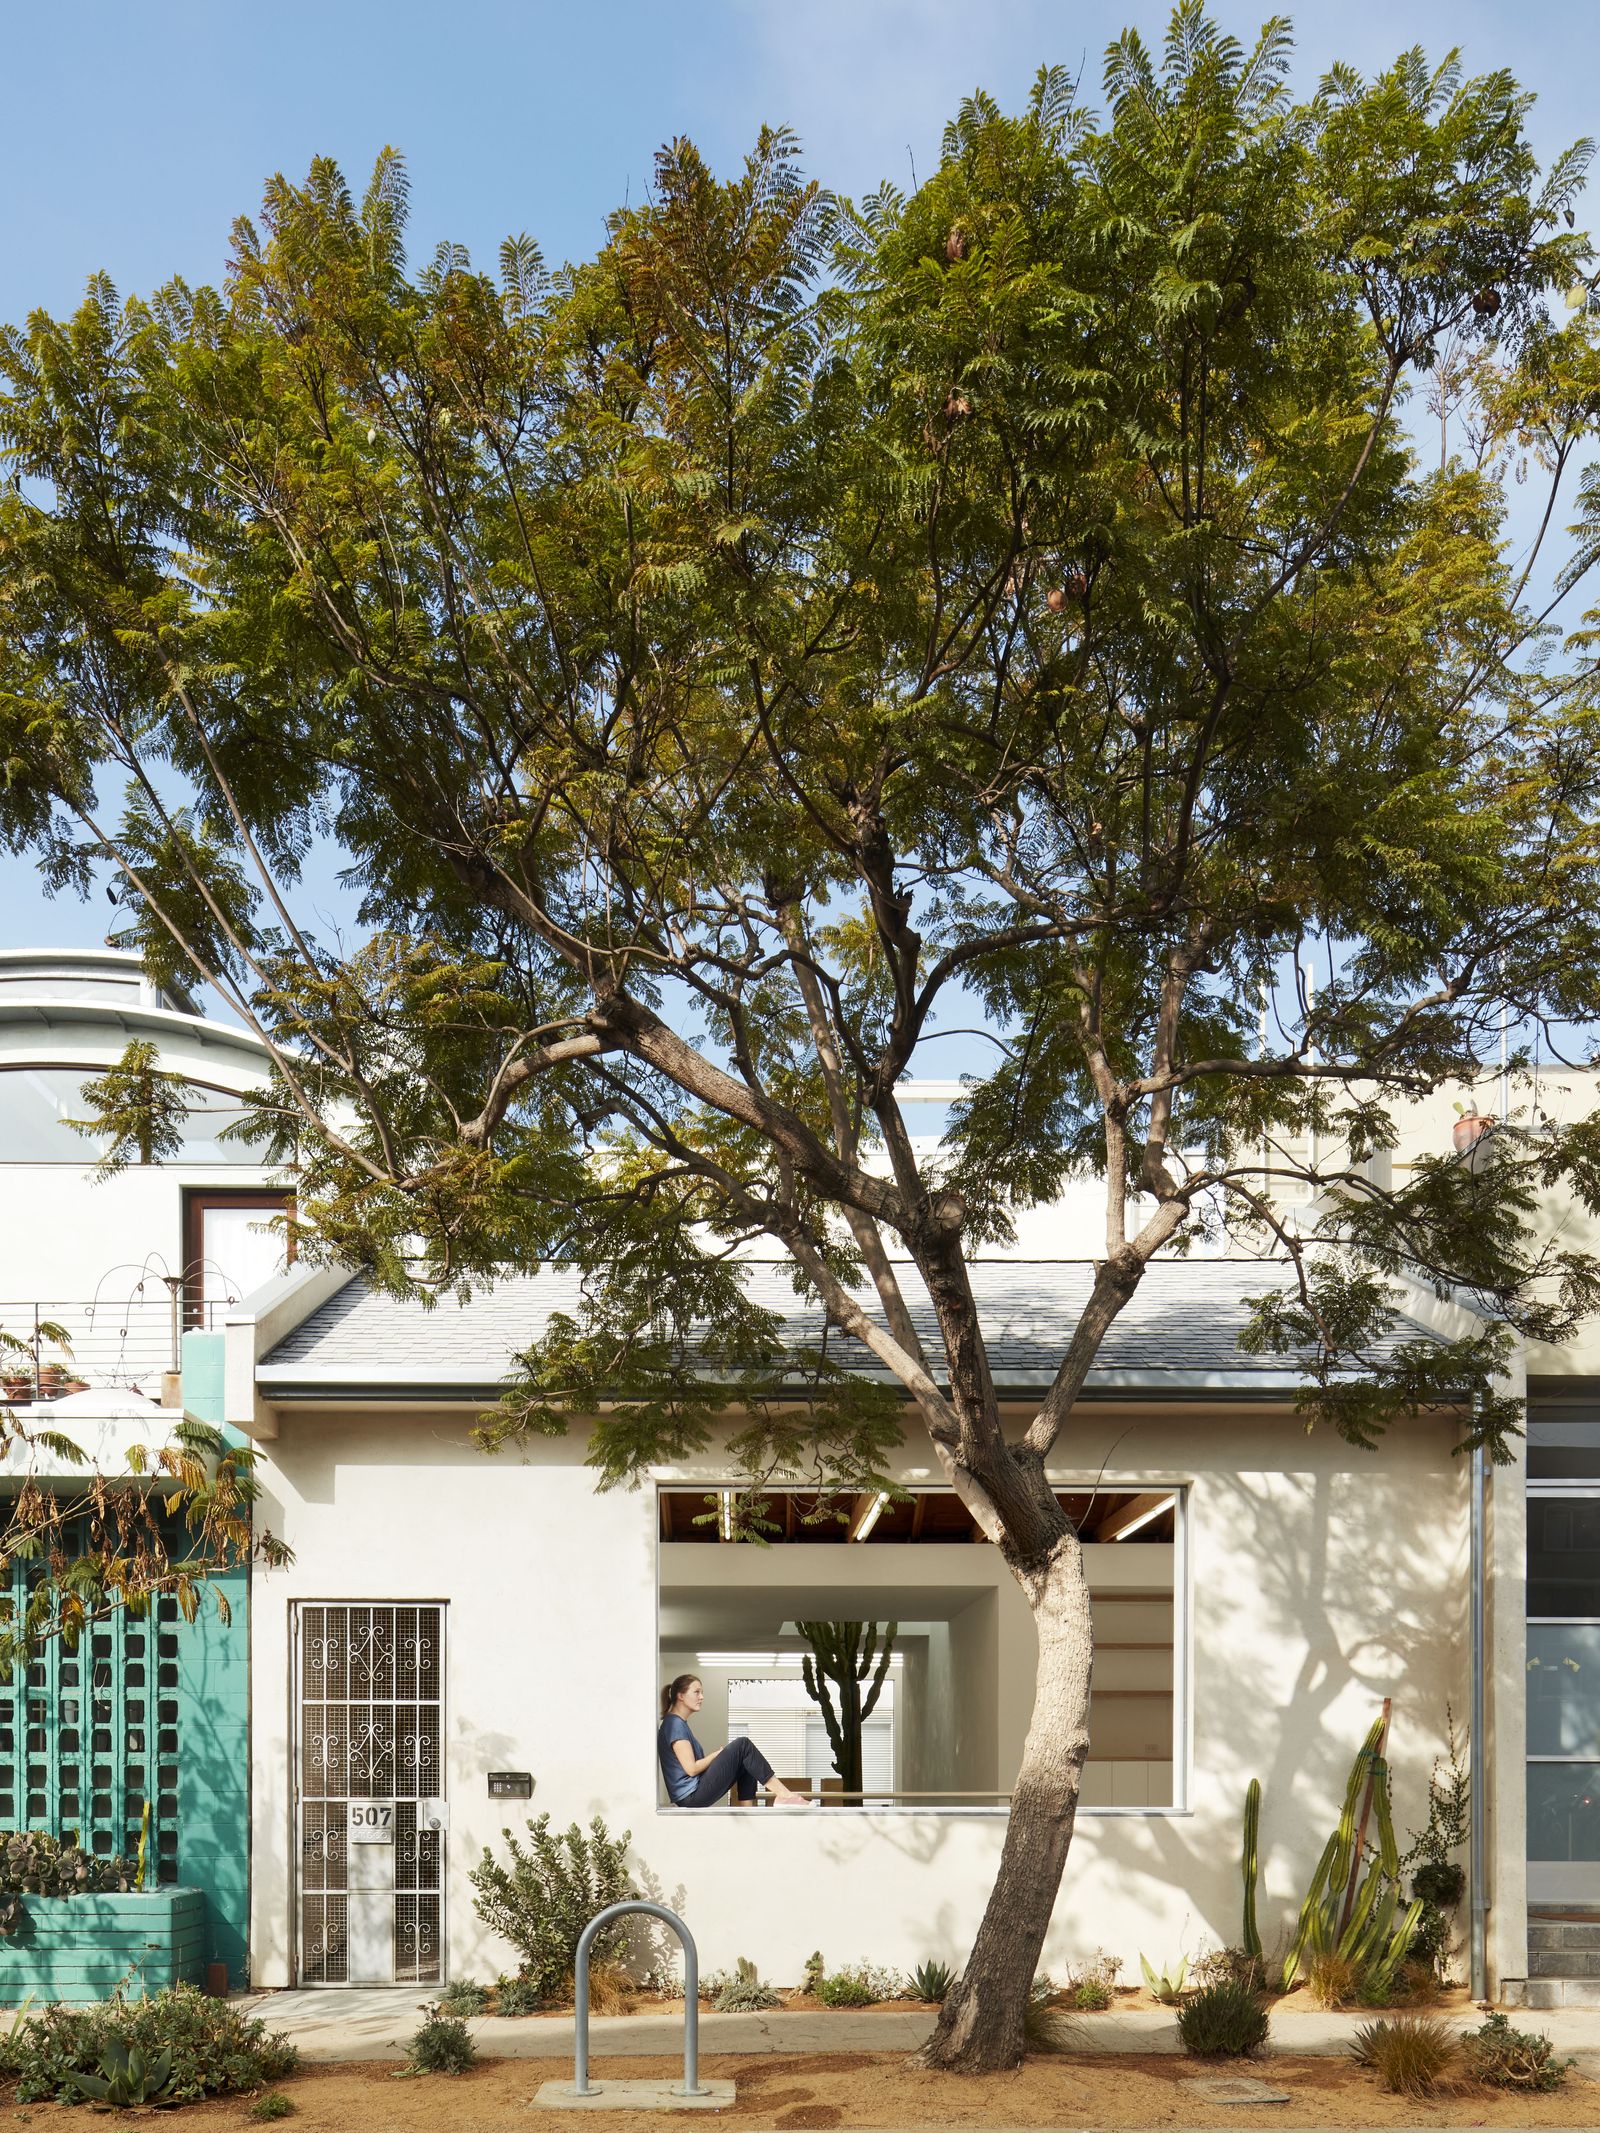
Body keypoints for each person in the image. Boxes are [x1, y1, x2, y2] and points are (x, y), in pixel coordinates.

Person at [657, 1675, 816, 1808]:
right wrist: (716, 1755)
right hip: (690, 1797)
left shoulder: (676, 1723)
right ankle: (784, 1795)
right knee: (743, 1745)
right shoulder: (674, 1724)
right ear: (681, 1695)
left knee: (745, 1759)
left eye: (702, 1692)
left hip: (692, 1795)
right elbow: (691, 1769)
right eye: (697, 1692)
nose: (702, 1697)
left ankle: (748, 1811)